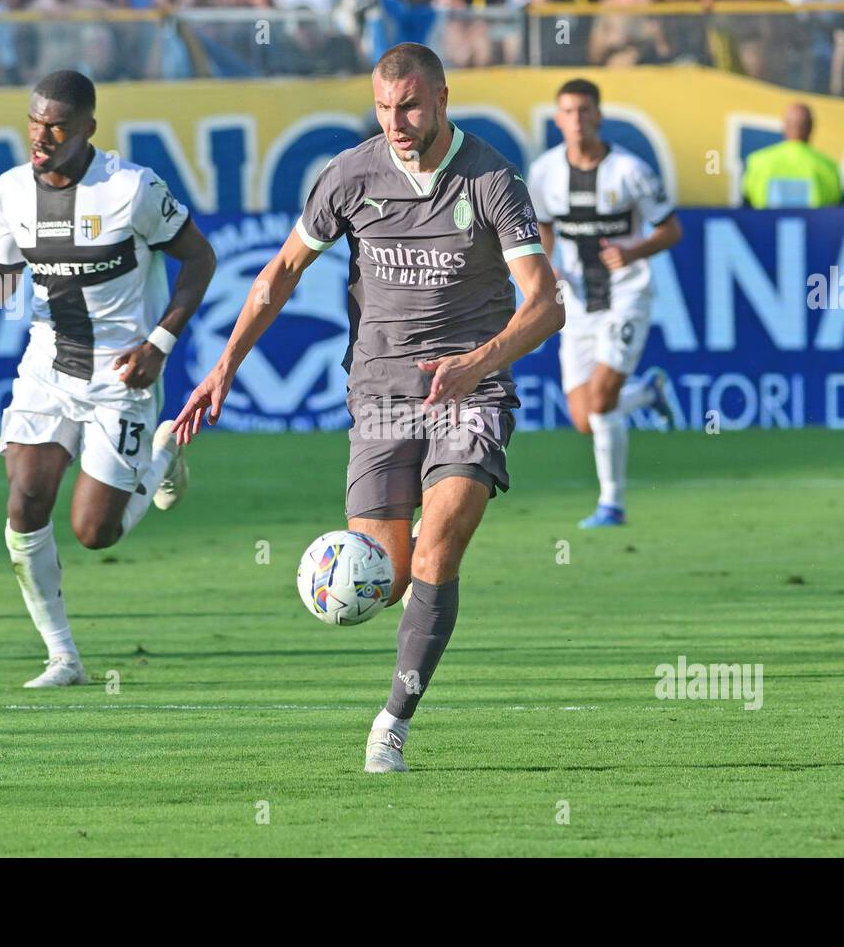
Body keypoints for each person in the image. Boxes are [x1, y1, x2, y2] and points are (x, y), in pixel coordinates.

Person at [171, 43, 563, 773]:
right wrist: (223, 367)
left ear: (443, 96)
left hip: (472, 389)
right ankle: (391, 600)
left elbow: (547, 306)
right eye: (385, 108)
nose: (397, 122)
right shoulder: (350, 175)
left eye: (410, 105)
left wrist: (475, 363)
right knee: (384, 580)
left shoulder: (492, 179)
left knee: (442, 536)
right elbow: (282, 270)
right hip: (379, 392)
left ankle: (393, 722)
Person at [0, 70, 216, 687]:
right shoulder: (9, 190)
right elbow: (4, 271)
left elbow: (200, 258)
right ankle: (63, 656)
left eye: (57, 125)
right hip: (48, 365)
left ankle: (158, 461)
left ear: (87, 130)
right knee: (24, 499)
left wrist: (160, 341)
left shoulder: (130, 188)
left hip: (121, 376)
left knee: (94, 532)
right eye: (34, 120)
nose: (41, 135)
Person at [528, 78, 681, 529]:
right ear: (558, 120)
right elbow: (543, 227)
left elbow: (671, 229)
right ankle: (649, 394)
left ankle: (611, 504)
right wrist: (547, 264)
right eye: (568, 112)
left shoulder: (630, 171)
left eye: (584, 111)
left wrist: (633, 250)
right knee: (583, 418)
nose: (576, 120)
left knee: (600, 398)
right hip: (576, 301)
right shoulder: (544, 172)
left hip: (626, 295)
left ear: (598, 115)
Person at [741, 103, 843, 208]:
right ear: (811, 127)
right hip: (814, 223)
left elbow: (746, 207)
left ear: (785, 126)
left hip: (763, 223)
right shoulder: (829, 167)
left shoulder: (756, 162)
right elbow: (836, 212)